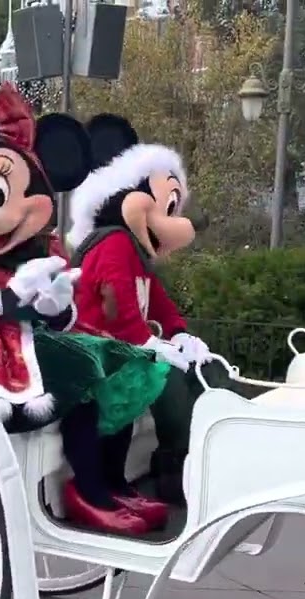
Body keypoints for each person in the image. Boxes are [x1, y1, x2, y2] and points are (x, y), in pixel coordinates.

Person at [0, 83, 170, 536]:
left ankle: (114, 482)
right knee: (86, 371)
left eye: (1, 194)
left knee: (129, 363)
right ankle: (88, 491)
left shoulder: (45, 246)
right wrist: (11, 298)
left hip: (46, 341)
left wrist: (56, 306)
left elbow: (66, 311)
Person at [66, 115, 223, 510]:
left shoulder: (136, 254)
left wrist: (179, 332)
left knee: (202, 371)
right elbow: (119, 305)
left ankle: (201, 458)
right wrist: (150, 343)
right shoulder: (113, 244)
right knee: (164, 382)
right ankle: (171, 468)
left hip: (123, 353)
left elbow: (158, 302)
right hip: (98, 354)